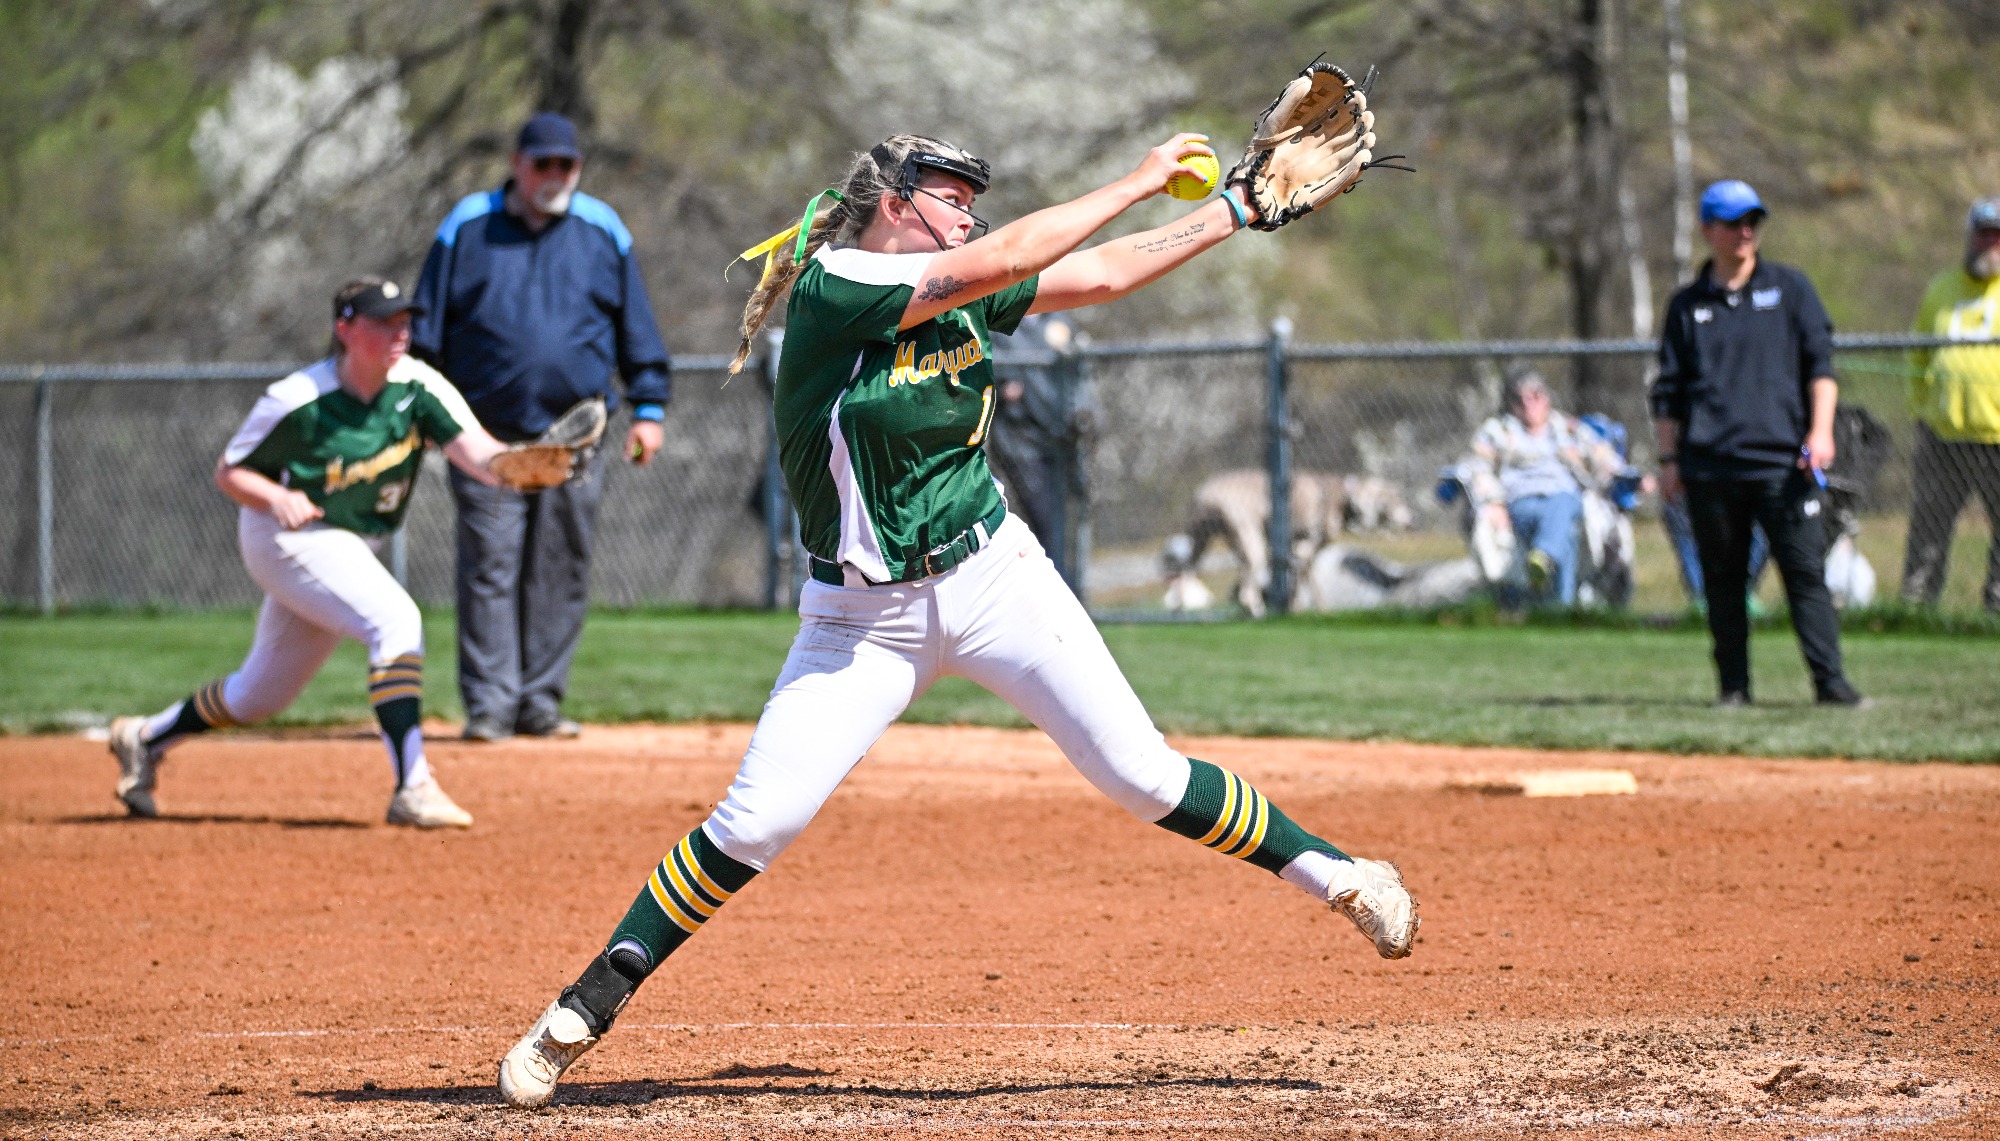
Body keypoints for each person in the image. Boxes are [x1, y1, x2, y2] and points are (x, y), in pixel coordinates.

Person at [496, 131, 1419, 1107]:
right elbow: (1006, 257)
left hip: (992, 575)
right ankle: (583, 1006)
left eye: (973, 198)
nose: (967, 209)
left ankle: (1343, 875)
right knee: (756, 819)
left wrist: (1230, 210)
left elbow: (1098, 274)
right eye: (949, 194)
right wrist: (1139, 178)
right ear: (894, 203)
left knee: (1141, 773)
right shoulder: (834, 288)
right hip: (859, 620)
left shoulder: (963, 281)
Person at [106, 279, 512, 827]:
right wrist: (277, 494)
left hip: (348, 546)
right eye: (381, 323)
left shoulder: (418, 386)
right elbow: (230, 472)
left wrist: (525, 466)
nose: (398, 334)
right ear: (344, 329)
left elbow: (480, 453)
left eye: (403, 322)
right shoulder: (297, 399)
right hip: (283, 539)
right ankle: (413, 786)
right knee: (396, 621)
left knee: (259, 695)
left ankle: (144, 737)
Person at [412, 112, 673, 742]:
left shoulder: (601, 228)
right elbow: (426, 328)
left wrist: (649, 408)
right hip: (486, 437)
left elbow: (635, 325)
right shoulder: (467, 225)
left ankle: (539, 703)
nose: (555, 175)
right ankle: (491, 707)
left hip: (573, 437)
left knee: (560, 567)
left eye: (567, 165)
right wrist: (421, 411)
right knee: (490, 569)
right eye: (543, 164)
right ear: (516, 162)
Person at [1652, 180, 1865, 707]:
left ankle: (1830, 684)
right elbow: (1669, 392)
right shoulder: (1686, 306)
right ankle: (1733, 688)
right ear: (1708, 231)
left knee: (1804, 575)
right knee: (1723, 583)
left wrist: (1820, 432)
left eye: (1752, 221)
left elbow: (1821, 367)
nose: (1745, 232)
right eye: (1732, 222)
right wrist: (1669, 459)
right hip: (1710, 466)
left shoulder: (1790, 291)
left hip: (1781, 463)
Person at [1901, 197, 2000, 612]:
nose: (1989, 244)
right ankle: (1915, 610)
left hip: (1997, 436)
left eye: (1997, 237)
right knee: (1928, 530)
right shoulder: (1941, 288)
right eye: (1983, 234)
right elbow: (1917, 355)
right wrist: (1921, 410)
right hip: (1944, 437)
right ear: (1970, 236)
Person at [1463, 366, 1625, 605]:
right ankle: (1559, 602)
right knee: (1566, 524)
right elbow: (1476, 467)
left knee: (1565, 502)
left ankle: (1545, 566)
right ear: (1509, 403)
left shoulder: (1568, 428)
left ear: (1546, 397)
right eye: (1520, 399)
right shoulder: (1498, 431)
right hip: (1520, 503)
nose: (1529, 404)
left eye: (1535, 395)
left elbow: (1605, 457)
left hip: (1568, 501)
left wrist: (1630, 477)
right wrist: (1493, 502)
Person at [985, 311, 1083, 573]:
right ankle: (1055, 590)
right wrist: (1004, 382)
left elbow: (1079, 371)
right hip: (1021, 443)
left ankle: (1068, 589)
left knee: (1066, 528)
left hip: (1062, 440)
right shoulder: (1000, 323)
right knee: (1047, 524)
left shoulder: (1058, 321)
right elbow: (986, 366)